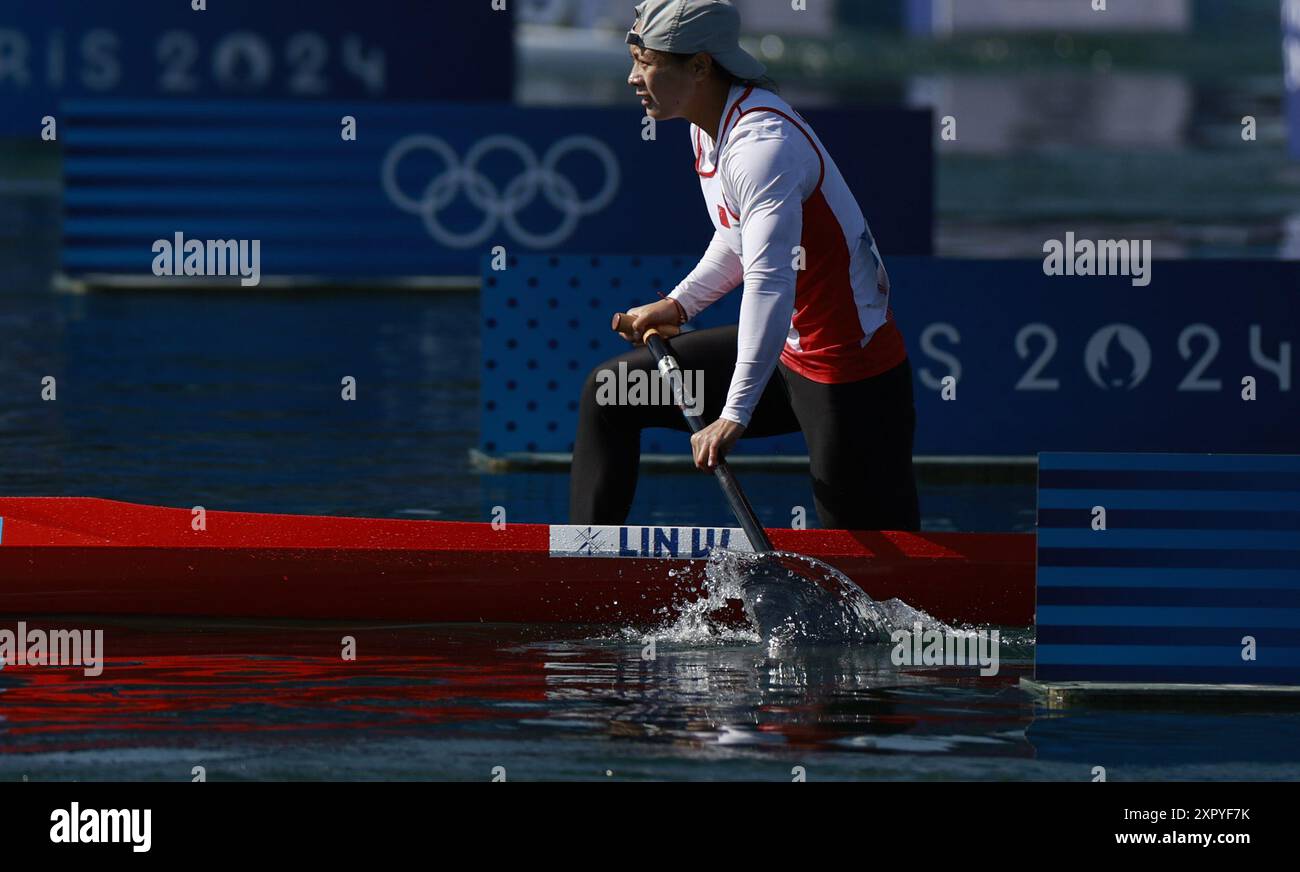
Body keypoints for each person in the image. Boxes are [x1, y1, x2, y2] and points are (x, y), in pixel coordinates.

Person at [569, 0, 920, 532]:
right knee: (610, 392)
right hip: (782, 351)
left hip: (847, 372)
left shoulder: (763, 147)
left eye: (647, 61)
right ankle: (584, 568)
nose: (633, 77)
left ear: (700, 66)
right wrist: (678, 303)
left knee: (873, 593)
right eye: (635, 59)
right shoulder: (706, 125)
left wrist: (734, 413)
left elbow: (769, 285)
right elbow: (735, 236)